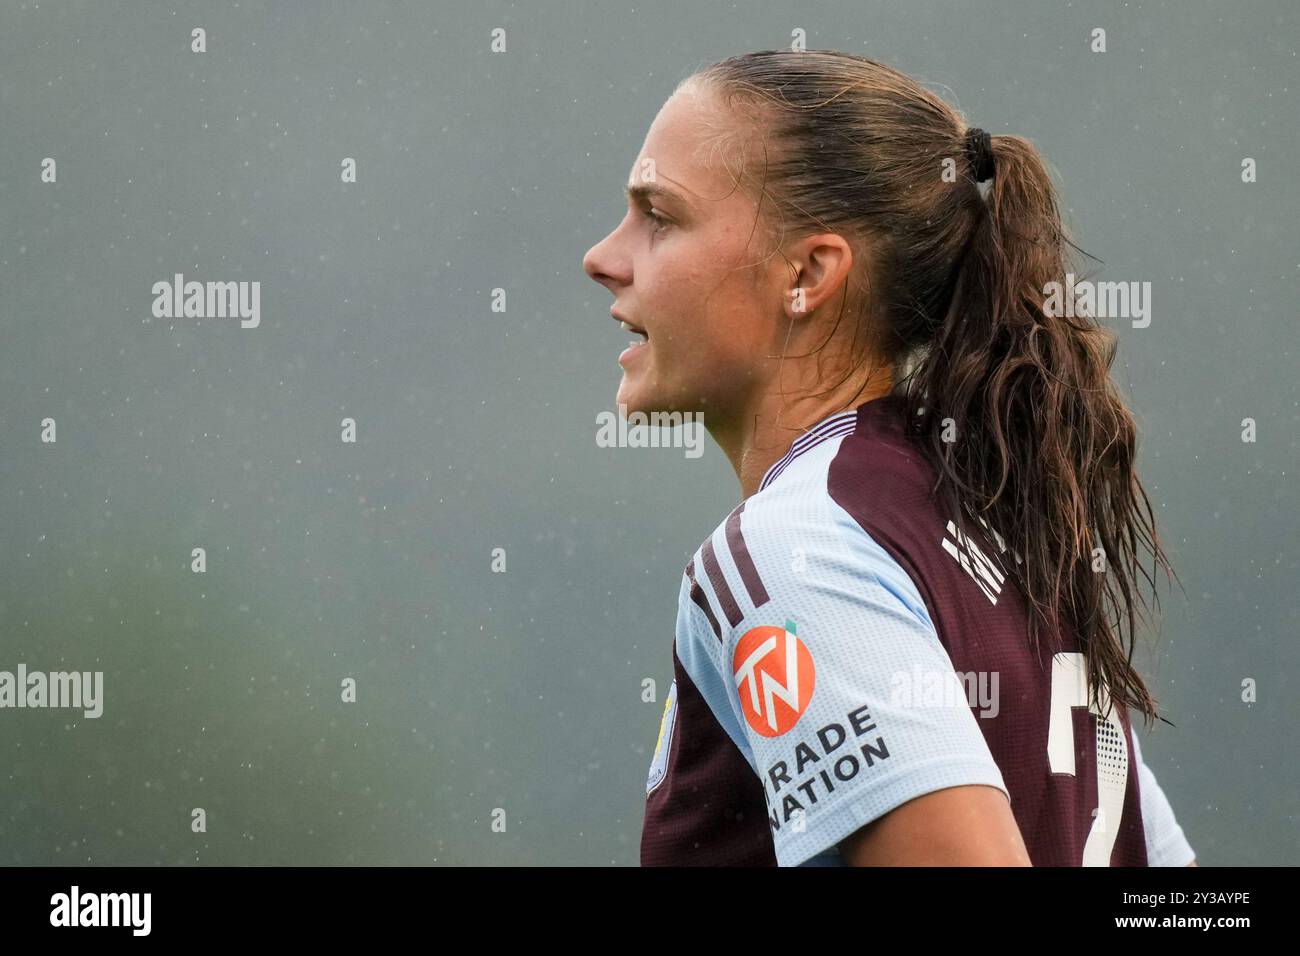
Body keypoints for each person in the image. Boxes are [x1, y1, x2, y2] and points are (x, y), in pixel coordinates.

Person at [582, 49, 1196, 867]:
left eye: (659, 217)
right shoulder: (1001, 531)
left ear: (807, 273)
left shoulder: (794, 550)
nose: (604, 257)